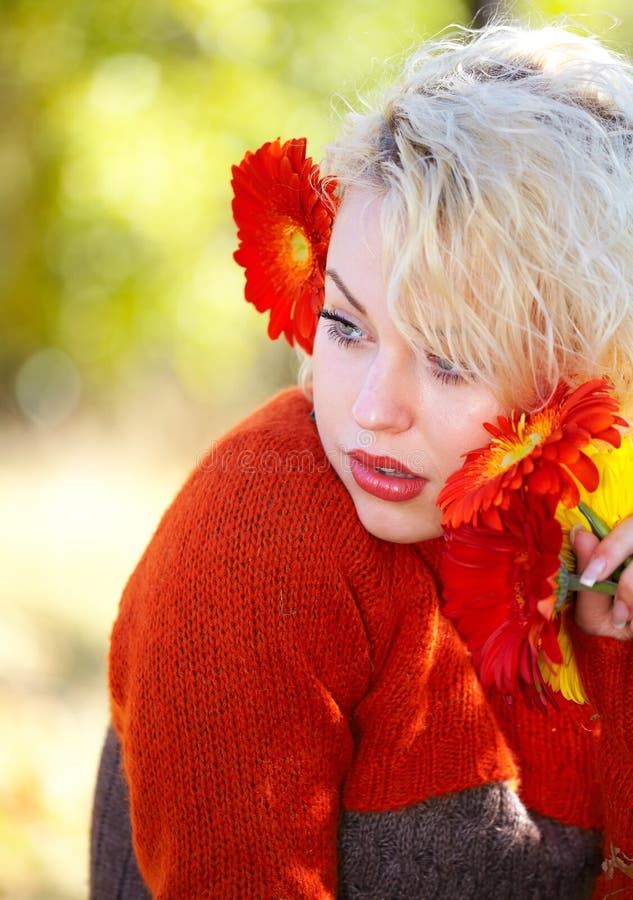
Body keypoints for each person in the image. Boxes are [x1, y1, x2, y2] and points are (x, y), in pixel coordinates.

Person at [91, 22, 633, 899]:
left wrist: (617, 656)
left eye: (450, 358)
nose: (372, 410)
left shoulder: (595, 523)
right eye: (345, 326)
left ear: (586, 370)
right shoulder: (257, 542)